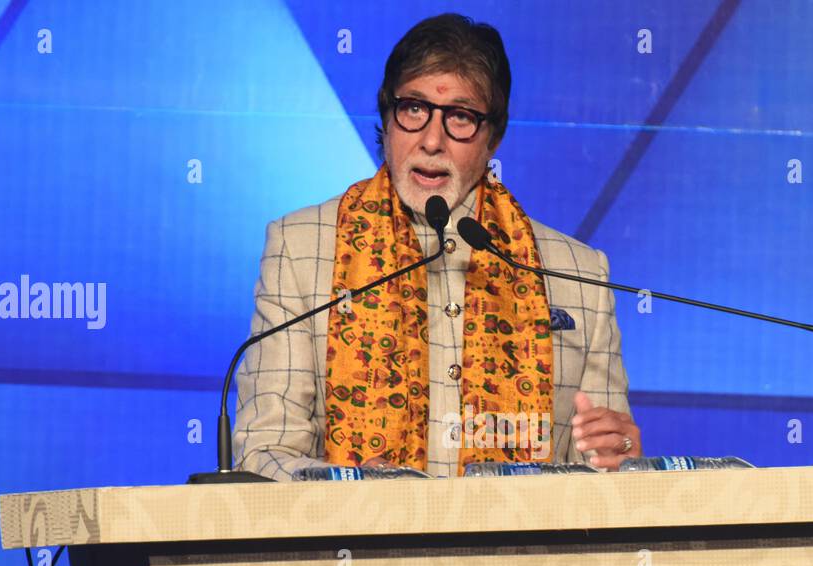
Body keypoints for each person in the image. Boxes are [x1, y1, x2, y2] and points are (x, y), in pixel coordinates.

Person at [233, 13, 641, 479]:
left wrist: (620, 457)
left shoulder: (579, 275)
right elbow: (264, 454)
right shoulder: (300, 247)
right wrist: (350, 493)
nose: (431, 139)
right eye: (413, 109)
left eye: (461, 118)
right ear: (386, 118)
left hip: (521, 551)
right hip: (356, 547)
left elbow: (606, 471)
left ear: (493, 138)